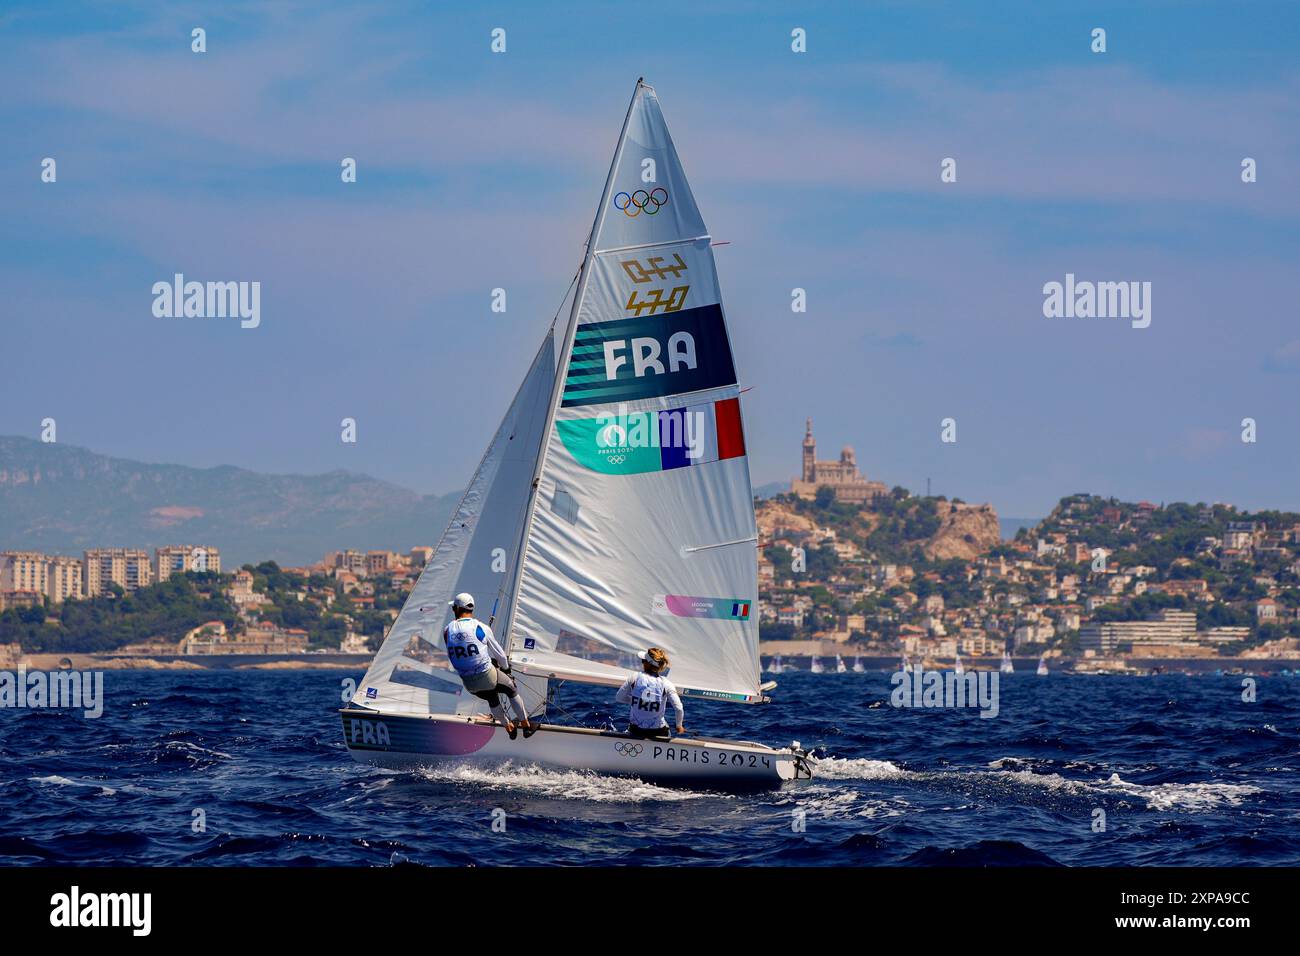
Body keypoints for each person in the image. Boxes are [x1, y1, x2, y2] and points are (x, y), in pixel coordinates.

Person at [442, 592, 537, 739]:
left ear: (457, 609)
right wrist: (506, 669)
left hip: (469, 684)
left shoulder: (447, 630)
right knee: (511, 688)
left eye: (453, 607)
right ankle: (526, 726)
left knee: (491, 697)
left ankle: (509, 727)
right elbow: (500, 654)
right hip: (487, 676)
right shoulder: (481, 627)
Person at [615, 647, 684, 739]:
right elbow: (679, 708)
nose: (642, 663)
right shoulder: (667, 684)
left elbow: (619, 698)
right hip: (658, 732)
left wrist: (637, 701)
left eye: (643, 661)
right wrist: (679, 726)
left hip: (636, 731)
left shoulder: (634, 677)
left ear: (647, 664)